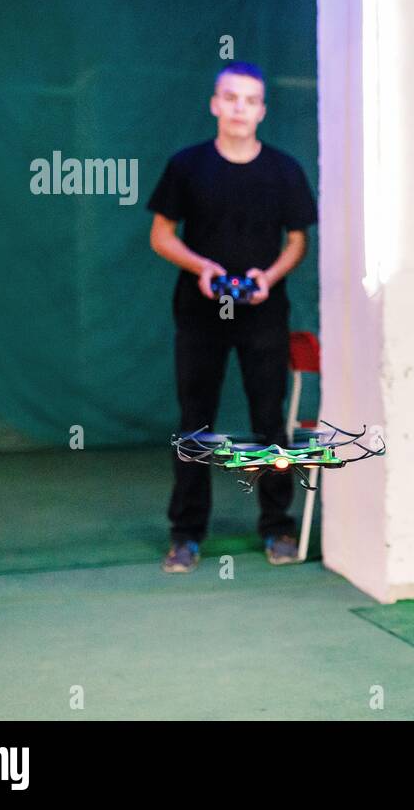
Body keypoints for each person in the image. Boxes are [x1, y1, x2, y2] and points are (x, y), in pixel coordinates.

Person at [146, 61, 318, 573]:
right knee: (195, 423)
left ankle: (278, 526)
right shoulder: (186, 165)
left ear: (262, 110)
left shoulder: (284, 170)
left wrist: (268, 276)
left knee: (271, 422)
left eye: (250, 100)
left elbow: (298, 242)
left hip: (264, 317)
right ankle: (185, 534)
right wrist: (201, 267)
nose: (240, 108)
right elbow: (161, 235)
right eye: (231, 98)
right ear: (215, 105)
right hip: (199, 314)